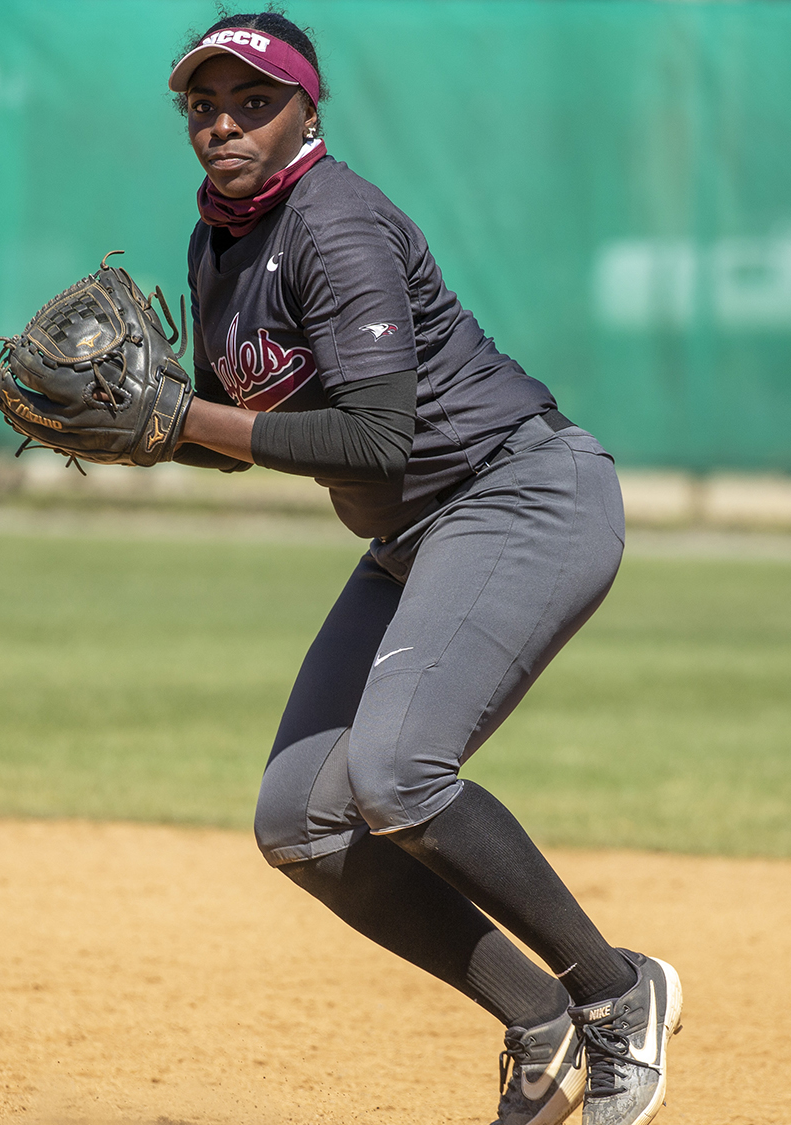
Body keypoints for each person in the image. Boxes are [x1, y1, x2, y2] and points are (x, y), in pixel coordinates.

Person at [162, 13, 682, 1125]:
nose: (223, 123)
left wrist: (183, 417)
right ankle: (538, 1027)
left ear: (308, 107)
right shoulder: (218, 244)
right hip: (412, 535)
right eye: (203, 104)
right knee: (298, 820)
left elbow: (373, 439)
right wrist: (149, 433)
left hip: (519, 494)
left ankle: (614, 992)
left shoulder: (333, 224)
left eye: (251, 101)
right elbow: (258, 431)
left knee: (395, 774)